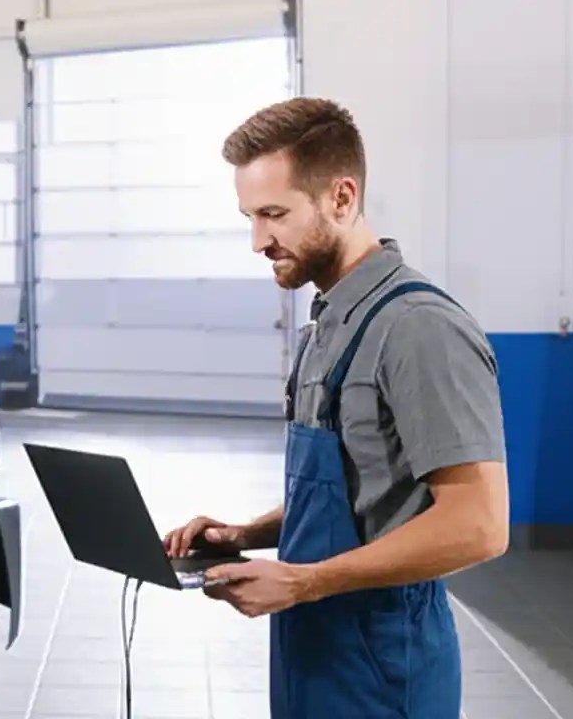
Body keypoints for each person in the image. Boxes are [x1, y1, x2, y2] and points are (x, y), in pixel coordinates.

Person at [164, 97, 510, 717]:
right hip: (313, 647)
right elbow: (358, 487)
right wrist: (245, 535)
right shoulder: (326, 327)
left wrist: (304, 581)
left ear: (342, 198)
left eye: (274, 214)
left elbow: (480, 524)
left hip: (383, 663)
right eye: (248, 216)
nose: (257, 241)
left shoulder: (419, 328)